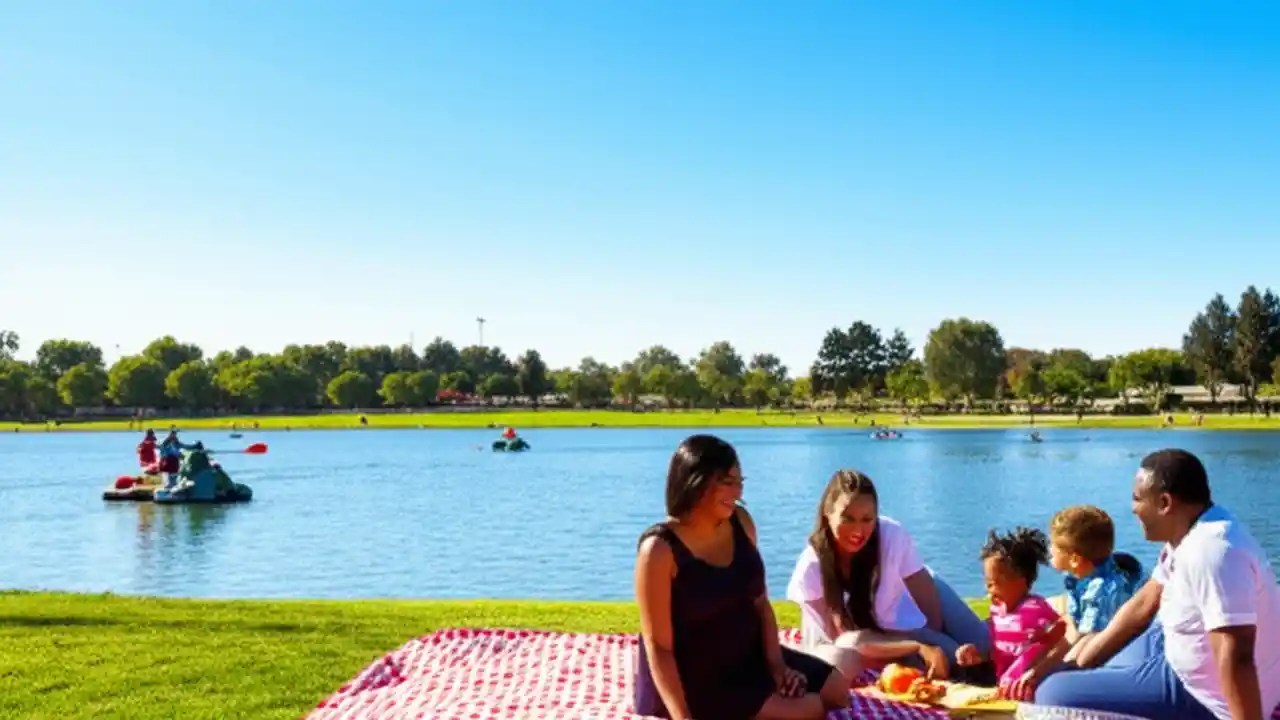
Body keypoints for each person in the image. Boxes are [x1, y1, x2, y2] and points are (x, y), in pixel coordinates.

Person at [1035, 449, 1280, 719]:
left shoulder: (1213, 552)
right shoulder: (1190, 530)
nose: (1132, 508)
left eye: (1137, 498)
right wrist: (1079, 665)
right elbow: (1144, 603)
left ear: (1164, 503)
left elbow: (1237, 654)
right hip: (1170, 645)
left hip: (1203, 696)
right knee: (1086, 652)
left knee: (1052, 696)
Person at [634, 434, 850, 720]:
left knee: (837, 691)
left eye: (740, 482)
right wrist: (682, 716)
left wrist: (777, 668)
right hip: (696, 677)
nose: (737, 492)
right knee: (811, 709)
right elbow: (658, 646)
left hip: (747, 655)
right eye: (727, 482)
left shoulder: (741, 522)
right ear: (695, 482)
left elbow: (760, 603)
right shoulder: (659, 550)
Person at [785, 470, 991, 683]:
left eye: (867, 519)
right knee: (957, 661)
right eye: (848, 518)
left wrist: (935, 641)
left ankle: (1005, 624)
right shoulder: (812, 567)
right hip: (883, 635)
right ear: (828, 513)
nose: (858, 530)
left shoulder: (891, 535)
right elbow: (845, 642)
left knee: (983, 647)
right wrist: (922, 649)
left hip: (916, 597)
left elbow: (924, 593)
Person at [955, 527, 1064, 700]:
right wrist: (977, 656)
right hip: (1003, 684)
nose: (988, 589)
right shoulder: (997, 613)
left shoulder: (1034, 609)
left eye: (993, 583)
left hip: (1029, 684)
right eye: (987, 583)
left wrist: (1042, 653)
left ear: (1020, 582)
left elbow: (1061, 631)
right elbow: (999, 651)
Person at [1047, 505, 1143, 664]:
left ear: (1074, 559)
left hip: (1117, 652)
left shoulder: (1102, 592)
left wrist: (1054, 670)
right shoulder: (1087, 573)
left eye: (1054, 546)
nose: (1050, 549)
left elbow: (1087, 640)